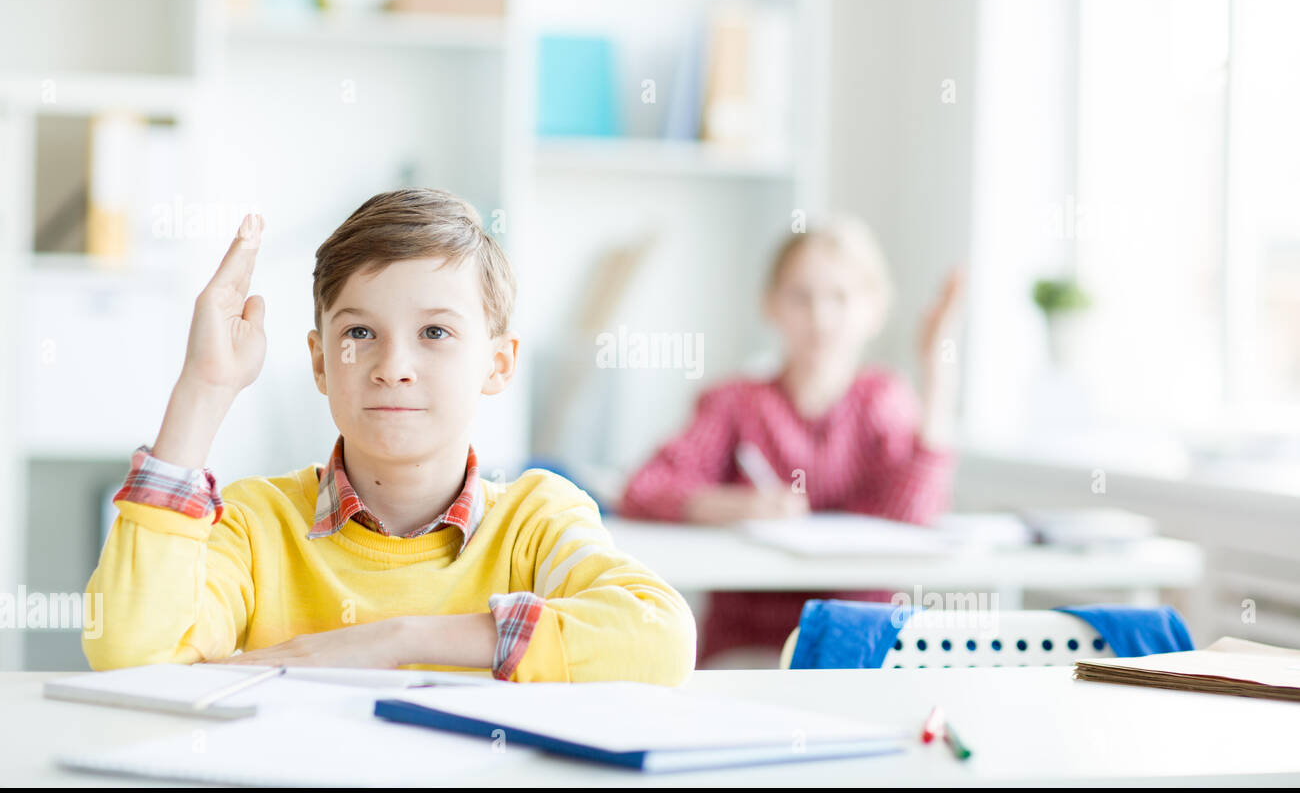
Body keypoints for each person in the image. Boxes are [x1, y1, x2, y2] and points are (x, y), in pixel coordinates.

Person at [84, 189, 696, 684]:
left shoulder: (537, 522)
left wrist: (395, 640)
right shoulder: (254, 524)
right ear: (321, 363)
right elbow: (134, 656)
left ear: (498, 364)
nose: (392, 365)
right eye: (359, 333)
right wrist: (203, 390)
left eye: (434, 332)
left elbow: (659, 636)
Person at [619, 216, 963, 667]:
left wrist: (936, 381)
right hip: (749, 650)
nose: (820, 318)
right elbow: (642, 490)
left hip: (861, 647)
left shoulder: (884, 400)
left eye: (840, 297)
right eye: (801, 297)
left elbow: (914, 513)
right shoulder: (735, 404)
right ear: (771, 305)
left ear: (874, 309)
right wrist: (734, 506)